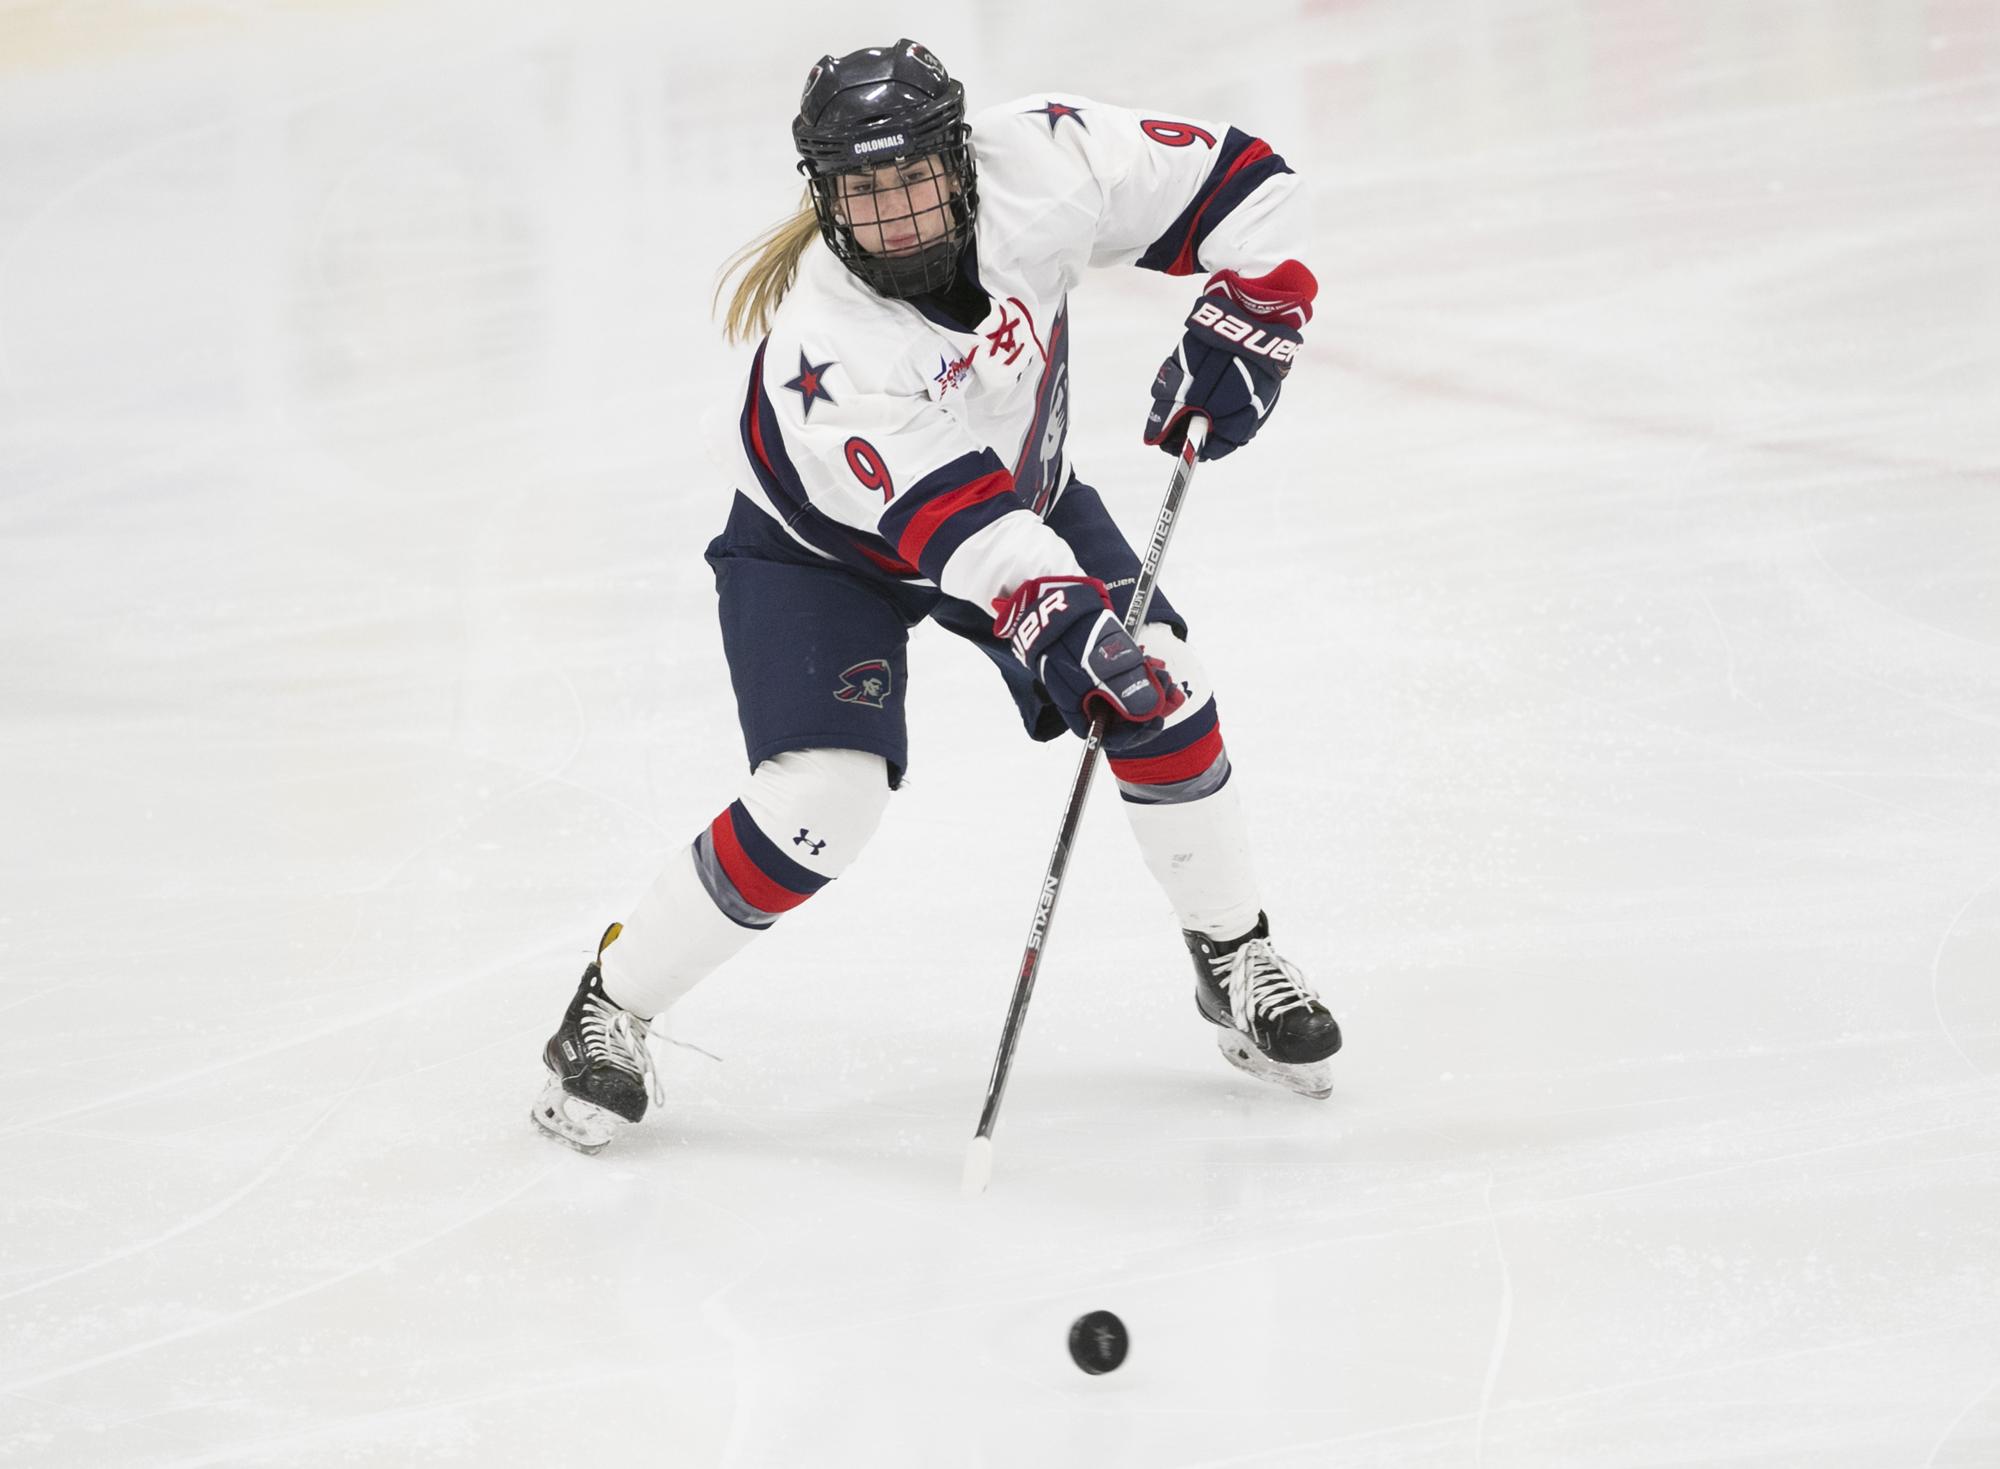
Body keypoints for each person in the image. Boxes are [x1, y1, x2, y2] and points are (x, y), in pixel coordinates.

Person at [532, 39, 1341, 1154]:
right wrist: (1062, 620)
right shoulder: (829, 349)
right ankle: (608, 1004)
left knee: (1163, 685)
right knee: (824, 800)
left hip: (1016, 492)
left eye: (912, 176)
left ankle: (1231, 954)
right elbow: (964, 532)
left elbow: (1247, 183)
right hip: (821, 551)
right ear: (825, 198)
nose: (896, 214)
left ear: (959, 159)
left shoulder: (1045, 159)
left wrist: (1259, 305)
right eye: (862, 191)